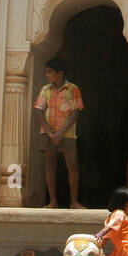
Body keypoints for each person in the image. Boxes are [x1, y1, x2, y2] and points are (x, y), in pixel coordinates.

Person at [34, 57, 84, 209]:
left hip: (67, 133)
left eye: (50, 72)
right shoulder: (45, 90)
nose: (47, 75)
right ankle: (53, 201)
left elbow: (75, 112)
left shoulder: (72, 89)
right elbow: (39, 111)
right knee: (49, 164)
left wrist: (61, 133)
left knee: (72, 165)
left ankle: (74, 201)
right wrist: (50, 133)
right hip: (48, 133)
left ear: (60, 73)